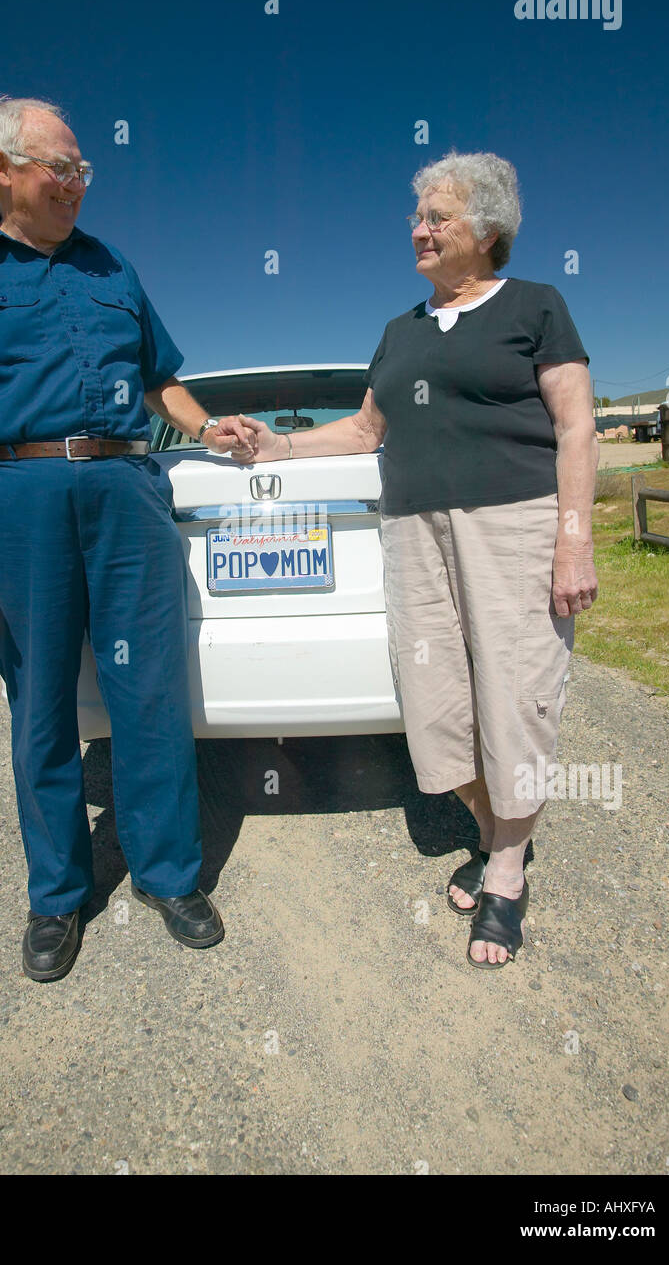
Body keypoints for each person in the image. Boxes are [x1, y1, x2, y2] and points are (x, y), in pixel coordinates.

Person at [0, 95, 258, 981]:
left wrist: (205, 427)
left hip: (127, 490)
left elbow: (159, 380)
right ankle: (56, 895)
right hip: (12, 497)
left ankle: (169, 875)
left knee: (149, 693)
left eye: (83, 168)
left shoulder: (111, 267)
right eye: (61, 167)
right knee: (42, 704)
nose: (77, 183)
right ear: (2, 171)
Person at [233, 151, 598, 970]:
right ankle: (494, 829)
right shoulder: (399, 331)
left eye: (438, 216)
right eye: (417, 217)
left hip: (513, 524)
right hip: (412, 530)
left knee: (516, 689)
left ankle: (507, 867)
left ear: (488, 230)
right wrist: (277, 445)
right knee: (433, 702)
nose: (419, 229)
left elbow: (576, 426)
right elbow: (366, 431)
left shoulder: (535, 307)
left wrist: (572, 537)